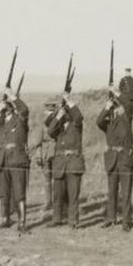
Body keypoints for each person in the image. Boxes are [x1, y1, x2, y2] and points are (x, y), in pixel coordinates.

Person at [0, 88, 30, 231]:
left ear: (12, 108)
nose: (6, 110)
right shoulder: (0, 124)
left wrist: (13, 96)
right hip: (3, 160)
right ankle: (5, 219)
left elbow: (24, 110)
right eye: (4, 108)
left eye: (7, 107)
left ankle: (22, 222)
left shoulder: (20, 120)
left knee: (19, 191)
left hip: (17, 159)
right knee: (3, 192)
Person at [96, 88, 133, 231]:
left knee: (126, 192)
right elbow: (98, 121)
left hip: (124, 160)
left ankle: (126, 221)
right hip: (112, 160)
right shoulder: (109, 123)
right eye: (115, 107)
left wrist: (117, 93)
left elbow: (128, 105)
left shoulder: (127, 119)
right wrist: (106, 107)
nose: (117, 110)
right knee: (112, 191)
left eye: (118, 107)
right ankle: (111, 218)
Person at [47, 92, 85, 228]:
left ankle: (73, 221)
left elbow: (79, 116)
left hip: (73, 162)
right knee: (57, 194)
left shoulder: (76, 125)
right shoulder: (58, 127)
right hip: (59, 163)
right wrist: (57, 117)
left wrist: (69, 101)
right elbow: (49, 131)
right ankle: (57, 218)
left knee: (73, 194)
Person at [30, 102, 58, 210]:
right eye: (48, 112)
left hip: (56, 153)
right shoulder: (42, 125)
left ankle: (58, 201)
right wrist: (38, 156)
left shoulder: (57, 123)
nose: (50, 114)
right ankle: (48, 202)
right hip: (46, 154)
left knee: (57, 179)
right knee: (47, 179)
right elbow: (38, 142)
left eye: (52, 112)